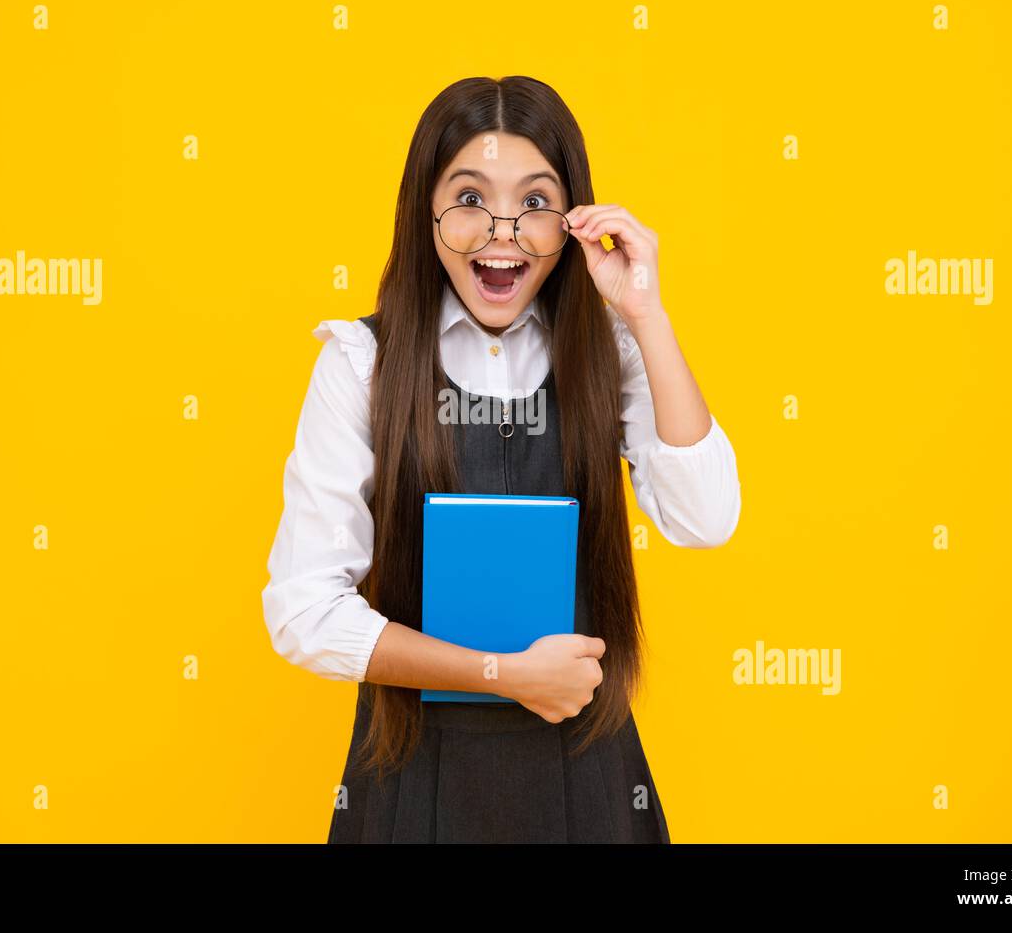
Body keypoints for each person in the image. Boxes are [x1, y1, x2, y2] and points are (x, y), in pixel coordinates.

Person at [261, 75, 742, 842]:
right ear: (426, 211)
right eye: (471, 198)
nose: (503, 232)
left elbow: (705, 519)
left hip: (589, 781)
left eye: (536, 203)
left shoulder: (608, 353)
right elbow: (305, 613)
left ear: (573, 219)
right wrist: (500, 674)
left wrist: (645, 314)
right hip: (412, 784)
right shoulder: (361, 363)